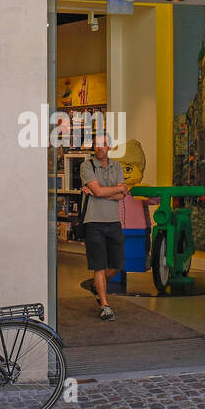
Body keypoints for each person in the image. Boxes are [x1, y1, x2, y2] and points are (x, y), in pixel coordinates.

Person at [80, 133, 129, 320]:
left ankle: (97, 285)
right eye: (97, 144)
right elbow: (111, 190)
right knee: (98, 265)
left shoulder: (117, 166)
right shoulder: (87, 165)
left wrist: (96, 193)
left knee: (117, 264)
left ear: (109, 147)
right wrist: (111, 190)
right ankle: (104, 304)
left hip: (113, 221)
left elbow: (121, 194)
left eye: (103, 144)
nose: (100, 147)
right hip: (93, 222)